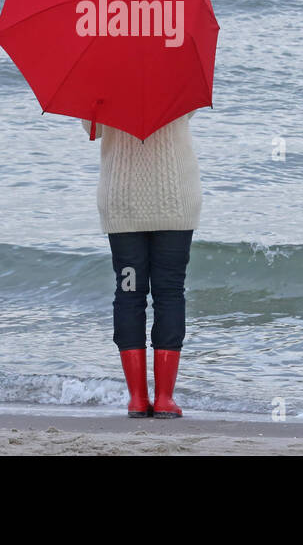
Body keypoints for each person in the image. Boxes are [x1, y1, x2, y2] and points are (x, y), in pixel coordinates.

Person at [82, 110, 201, 418]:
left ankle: (137, 398)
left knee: (129, 291)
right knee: (169, 293)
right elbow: (190, 110)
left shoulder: (100, 79)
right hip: (174, 200)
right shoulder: (179, 69)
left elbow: (92, 129)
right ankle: (164, 399)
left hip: (123, 204)